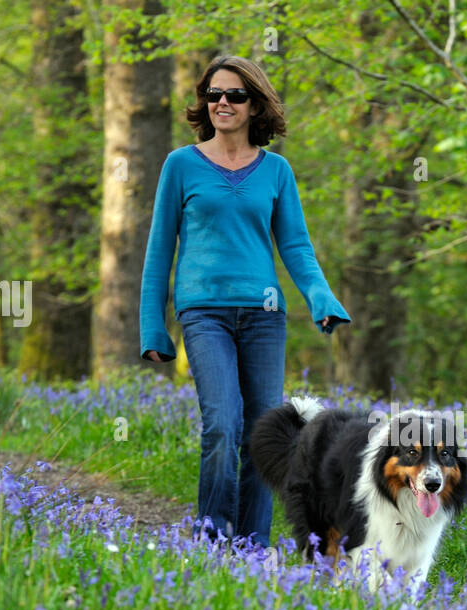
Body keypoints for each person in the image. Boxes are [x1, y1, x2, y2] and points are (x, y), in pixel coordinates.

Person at [139, 55, 350, 548]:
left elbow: (295, 246)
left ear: (254, 104)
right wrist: (153, 327)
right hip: (203, 312)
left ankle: (251, 550)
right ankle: (212, 542)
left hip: (265, 315)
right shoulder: (180, 165)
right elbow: (158, 251)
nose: (222, 103)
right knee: (221, 424)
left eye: (234, 95)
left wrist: (322, 297)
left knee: (262, 436)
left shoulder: (276, 171)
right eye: (213, 94)